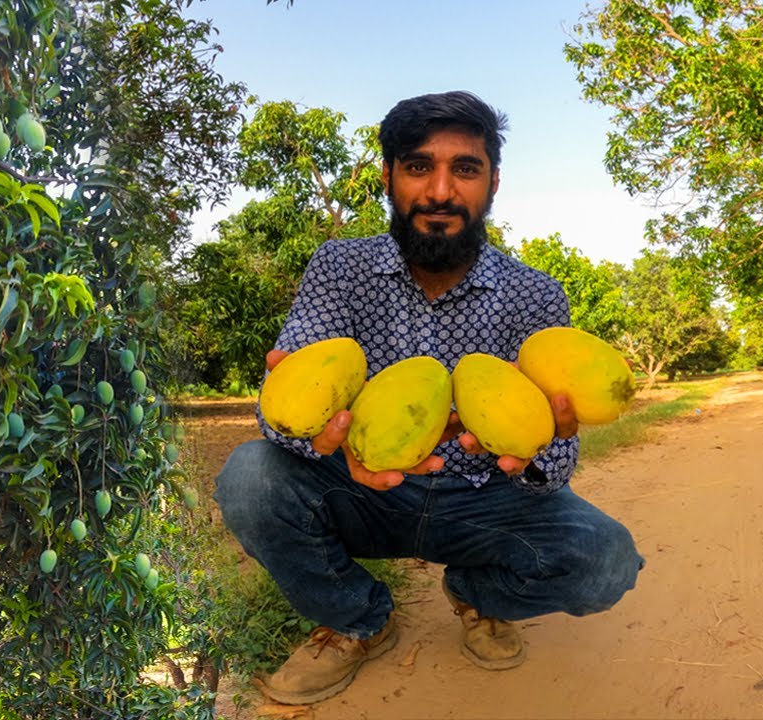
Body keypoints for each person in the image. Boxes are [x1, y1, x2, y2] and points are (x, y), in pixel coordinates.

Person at [213, 91, 644, 706]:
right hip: (362, 488)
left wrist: (543, 449)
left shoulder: (536, 296)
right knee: (249, 477)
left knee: (607, 562)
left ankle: (475, 593)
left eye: (464, 169)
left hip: (483, 499)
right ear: (388, 176)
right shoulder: (339, 268)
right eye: (419, 166)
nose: (441, 191)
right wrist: (314, 436)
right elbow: (289, 403)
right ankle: (360, 618)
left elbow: (553, 468)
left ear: (493, 182)